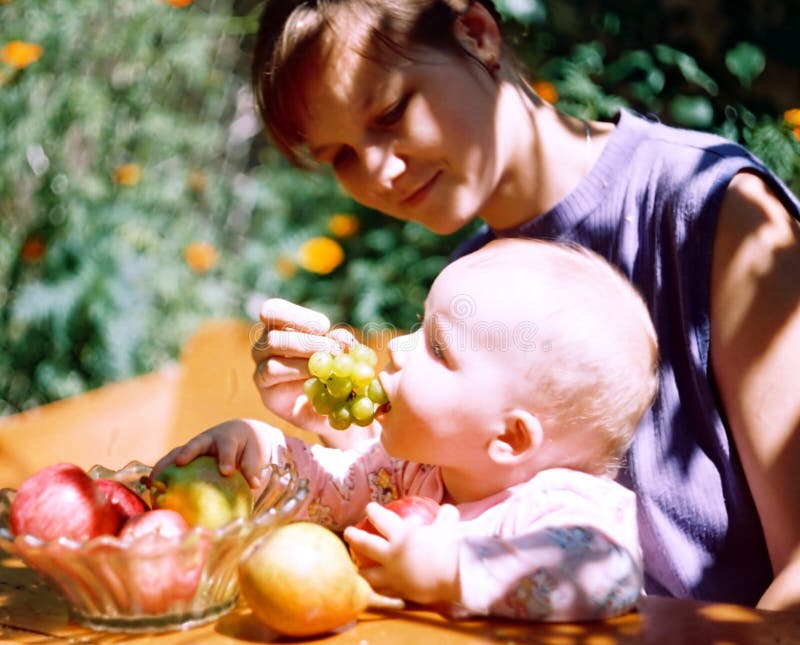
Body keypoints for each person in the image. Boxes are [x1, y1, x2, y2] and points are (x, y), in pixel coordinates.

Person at [247, 0, 800, 610]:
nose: (378, 172)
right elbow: (464, 495)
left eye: (391, 111)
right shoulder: (478, 270)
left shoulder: (715, 213)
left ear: (476, 33)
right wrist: (330, 420)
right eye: (342, 156)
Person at [154, 238, 659, 620]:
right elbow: (331, 484)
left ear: (508, 439)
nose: (397, 347)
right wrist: (261, 453)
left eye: (436, 347)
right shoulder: (414, 472)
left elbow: (609, 573)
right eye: (420, 324)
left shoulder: (561, 508)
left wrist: (453, 568)